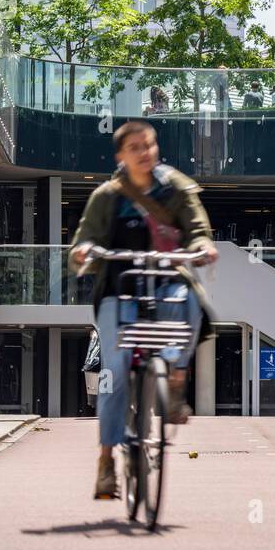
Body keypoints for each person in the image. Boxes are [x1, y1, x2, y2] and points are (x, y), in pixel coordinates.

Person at [69, 120, 219, 499]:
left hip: (167, 280)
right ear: (121, 155)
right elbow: (85, 237)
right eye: (134, 146)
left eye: (149, 145)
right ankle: (107, 461)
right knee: (114, 374)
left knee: (192, 305)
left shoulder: (176, 188)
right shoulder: (108, 196)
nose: (144, 152)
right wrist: (83, 251)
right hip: (117, 290)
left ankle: (176, 379)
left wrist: (203, 246)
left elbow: (198, 228)